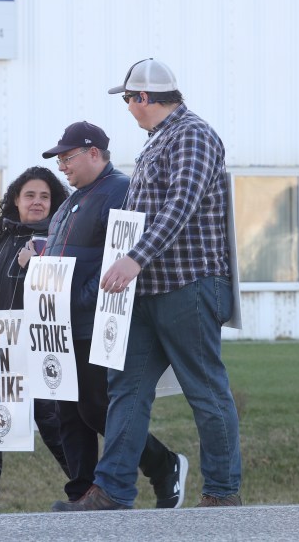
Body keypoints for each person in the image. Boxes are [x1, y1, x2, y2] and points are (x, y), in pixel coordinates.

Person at [60, 58, 242, 510]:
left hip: (190, 284)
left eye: (128, 99)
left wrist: (133, 259)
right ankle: (113, 489)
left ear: (144, 98)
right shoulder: (158, 141)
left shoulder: (192, 134)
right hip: (147, 290)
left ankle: (222, 492)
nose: (127, 108)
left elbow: (181, 205)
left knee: (205, 389)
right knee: (126, 388)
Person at [34, 121, 188, 511]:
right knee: (67, 410)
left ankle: (164, 464)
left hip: (94, 321)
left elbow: (117, 260)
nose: (62, 166)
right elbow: (69, 255)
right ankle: (83, 491)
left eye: (67, 157)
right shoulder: (73, 200)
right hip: (60, 324)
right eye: (59, 159)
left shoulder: (119, 191)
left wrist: (82, 299)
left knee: (97, 407)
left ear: (94, 153)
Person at [0, 166, 73, 514]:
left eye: (45, 196)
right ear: (16, 199)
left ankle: (85, 490)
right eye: (30, 195)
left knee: (51, 421)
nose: (37, 202)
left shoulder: (59, 239)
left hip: (39, 344)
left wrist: (37, 262)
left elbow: (59, 292)